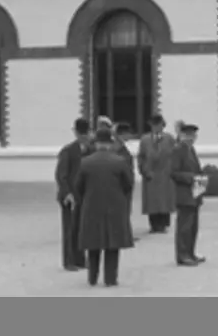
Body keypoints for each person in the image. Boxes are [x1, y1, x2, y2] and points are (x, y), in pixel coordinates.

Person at [75, 127, 135, 287]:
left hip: (91, 207)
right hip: (115, 207)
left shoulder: (85, 162)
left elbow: (78, 186)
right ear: (110, 144)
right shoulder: (119, 161)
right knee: (112, 245)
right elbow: (128, 184)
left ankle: (92, 277)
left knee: (93, 244)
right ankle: (110, 278)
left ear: (96, 144)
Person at [55, 118, 91, 271]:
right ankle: (69, 260)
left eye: (85, 133)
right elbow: (61, 175)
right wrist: (67, 193)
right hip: (70, 196)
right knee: (70, 228)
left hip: (84, 195)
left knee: (82, 228)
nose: (83, 136)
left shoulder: (91, 150)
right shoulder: (68, 151)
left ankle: (80, 259)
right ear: (76, 133)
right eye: (81, 133)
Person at [170, 123, 207, 266]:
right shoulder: (178, 150)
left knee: (193, 226)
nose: (192, 138)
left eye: (194, 136)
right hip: (184, 194)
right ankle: (183, 255)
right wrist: (191, 177)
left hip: (195, 193)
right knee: (184, 226)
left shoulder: (191, 150)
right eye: (189, 136)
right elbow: (174, 172)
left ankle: (191, 252)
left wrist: (202, 176)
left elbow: (195, 168)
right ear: (182, 136)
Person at [138, 114, 176, 233]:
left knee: (165, 200)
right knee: (152, 201)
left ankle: (163, 224)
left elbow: (175, 154)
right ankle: (154, 225)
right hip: (151, 174)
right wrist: (144, 170)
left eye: (159, 125)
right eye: (154, 125)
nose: (156, 127)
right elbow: (141, 156)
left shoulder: (169, 138)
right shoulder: (145, 139)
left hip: (165, 174)